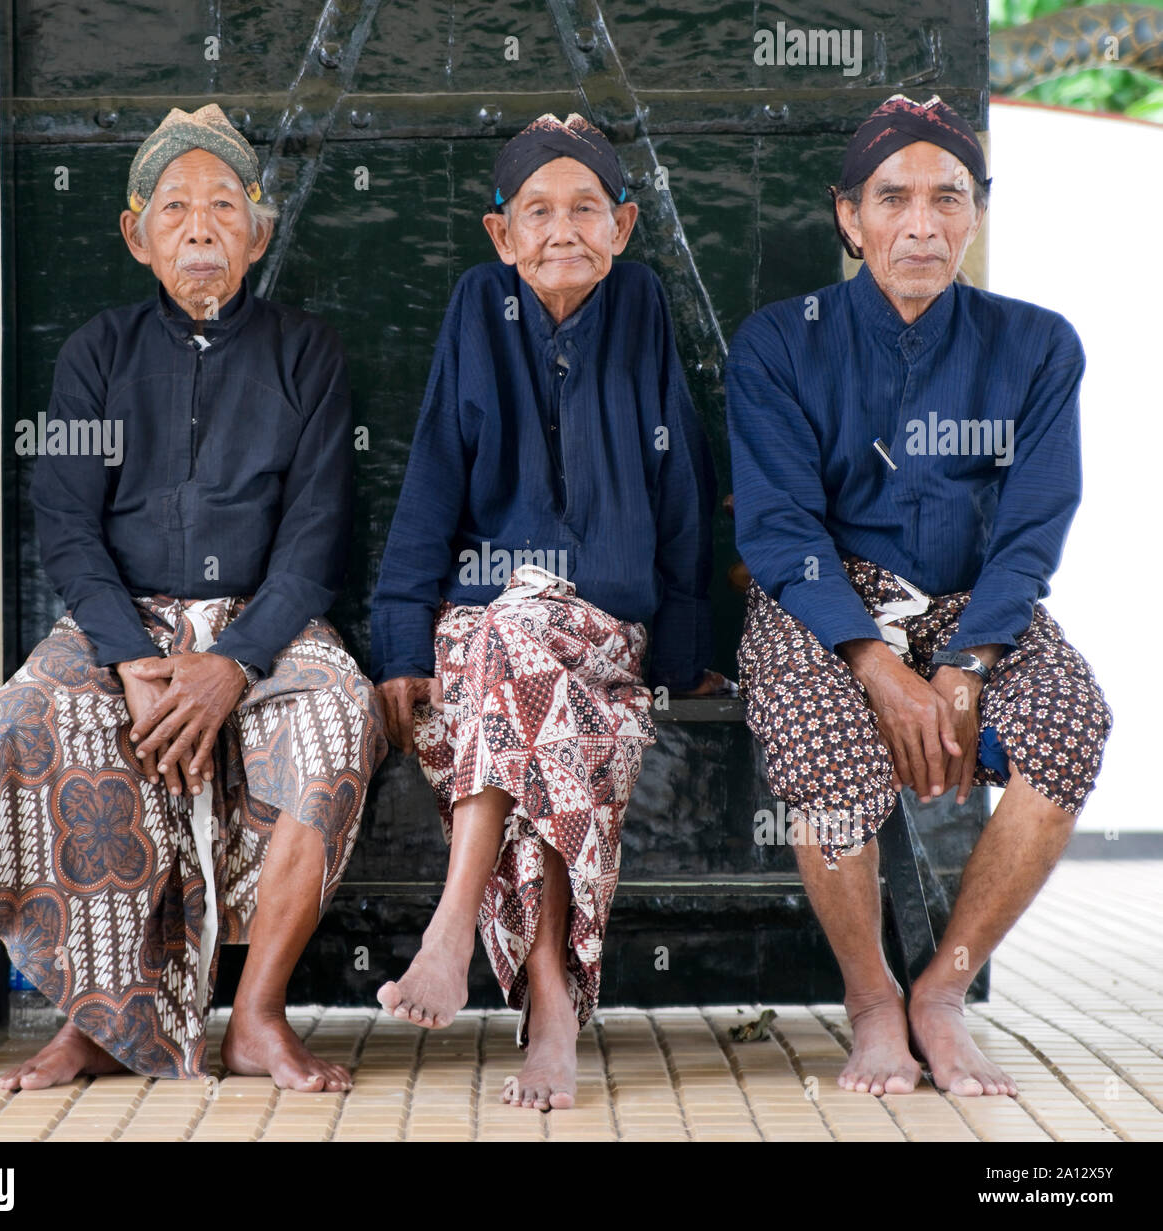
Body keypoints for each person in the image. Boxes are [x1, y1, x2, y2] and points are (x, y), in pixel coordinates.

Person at [0, 104, 386, 1092]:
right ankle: (95, 1021)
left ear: (258, 230)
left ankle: (258, 1016)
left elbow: (316, 536)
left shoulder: (303, 352)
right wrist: (128, 659)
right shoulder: (94, 356)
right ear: (137, 233)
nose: (200, 226)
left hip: (262, 626)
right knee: (30, 718)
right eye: (176, 207)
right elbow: (65, 522)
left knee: (340, 719)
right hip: (125, 626)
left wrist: (233, 663)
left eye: (223, 205)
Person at [726, 94, 1111, 1097]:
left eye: (949, 197)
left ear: (976, 213)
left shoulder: (1035, 345)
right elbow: (778, 531)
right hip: (829, 603)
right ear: (848, 216)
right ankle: (871, 1001)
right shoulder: (780, 342)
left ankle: (941, 987)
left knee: (1070, 719)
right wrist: (876, 667)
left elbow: (1032, 530)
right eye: (892, 198)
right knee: (822, 731)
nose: (922, 222)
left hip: (971, 606)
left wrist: (967, 663)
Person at [370, 112, 724, 1111]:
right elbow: (432, 482)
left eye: (583, 209)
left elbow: (682, 492)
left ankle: (453, 935)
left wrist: (683, 647)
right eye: (537, 211)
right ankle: (553, 1005)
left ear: (620, 224)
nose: (561, 229)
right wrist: (402, 639)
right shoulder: (476, 310)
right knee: (518, 667)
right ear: (502, 234)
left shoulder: (640, 304)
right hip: (486, 633)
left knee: (518, 657)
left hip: (602, 633)